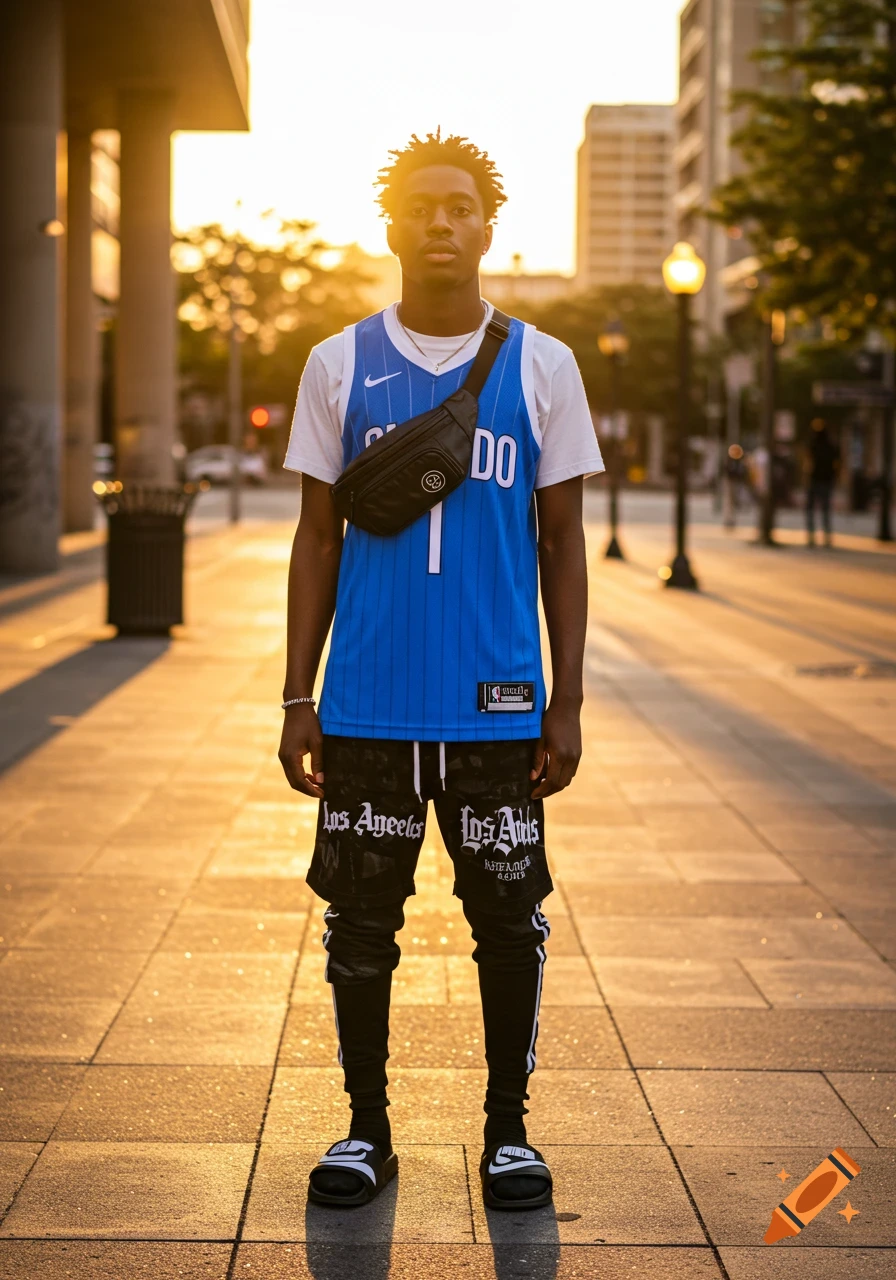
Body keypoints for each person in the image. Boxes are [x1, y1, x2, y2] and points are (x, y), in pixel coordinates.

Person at [278, 130, 603, 1213]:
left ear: (488, 226)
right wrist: (298, 695)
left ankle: (507, 1133)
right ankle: (365, 1129)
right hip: (367, 704)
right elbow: (315, 537)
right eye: (422, 206)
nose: (441, 222)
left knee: (507, 922)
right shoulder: (336, 362)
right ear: (391, 225)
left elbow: (562, 542)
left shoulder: (543, 365)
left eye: (461, 206)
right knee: (359, 925)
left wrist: (564, 700)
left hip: (497, 707)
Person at [805, 417, 840, 547]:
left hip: (816, 479)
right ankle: (825, 537)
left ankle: (813, 537)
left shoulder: (812, 444)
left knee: (812, 509)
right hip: (825, 480)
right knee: (824, 509)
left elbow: (808, 463)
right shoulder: (831, 445)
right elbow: (837, 464)